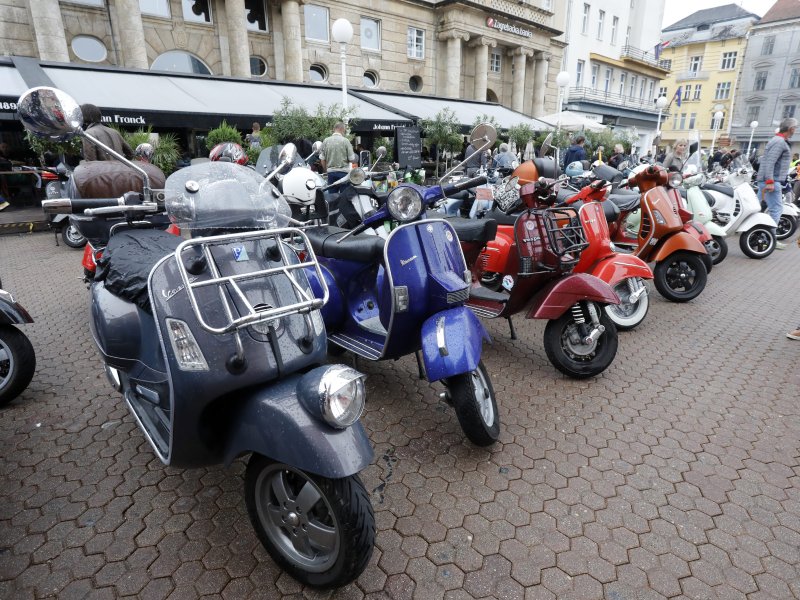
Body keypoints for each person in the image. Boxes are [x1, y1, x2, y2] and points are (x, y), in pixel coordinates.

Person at [757, 117, 797, 251]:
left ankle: (760, 236)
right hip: (772, 181)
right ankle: (770, 238)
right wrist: (770, 181)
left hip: (770, 180)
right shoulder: (780, 142)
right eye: (795, 128)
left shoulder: (778, 140)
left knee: (758, 208)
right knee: (776, 209)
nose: (795, 130)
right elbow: (770, 162)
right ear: (791, 129)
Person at [319, 122, 355, 188]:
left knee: (332, 196)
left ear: (334, 129)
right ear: (342, 129)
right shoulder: (346, 141)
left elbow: (322, 159)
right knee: (344, 196)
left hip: (331, 173)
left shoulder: (326, 141)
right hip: (344, 173)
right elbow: (352, 159)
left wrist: (326, 170)